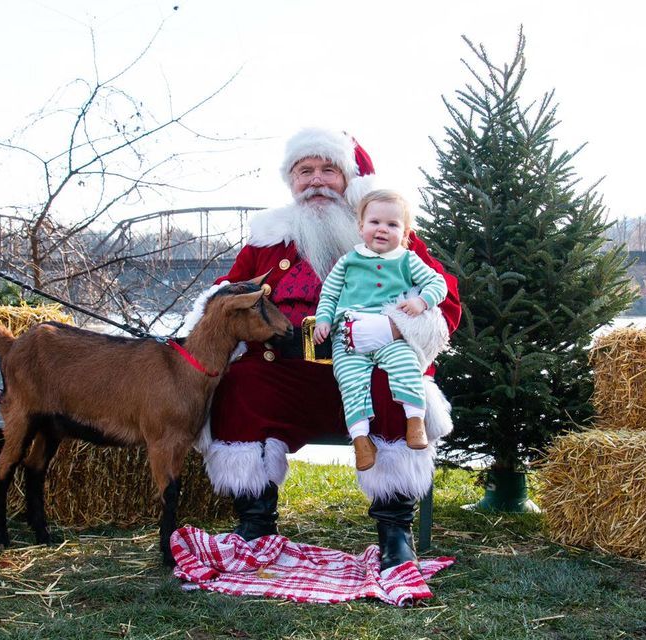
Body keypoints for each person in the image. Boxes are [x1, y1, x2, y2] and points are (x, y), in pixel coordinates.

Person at [193, 127, 461, 572]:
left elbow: (445, 300)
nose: (315, 181)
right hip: (286, 373)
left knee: (393, 384)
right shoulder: (267, 241)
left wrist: (390, 326)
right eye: (304, 172)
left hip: (365, 364)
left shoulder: (389, 231)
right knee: (240, 384)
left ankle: (395, 531)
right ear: (291, 181)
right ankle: (255, 524)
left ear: (351, 180)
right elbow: (225, 295)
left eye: (328, 170)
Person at [313, 189, 448, 472]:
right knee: (351, 382)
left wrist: (421, 301)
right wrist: (324, 320)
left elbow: (438, 284)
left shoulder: (407, 260)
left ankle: (415, 422)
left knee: (407, 365)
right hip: (349, 336)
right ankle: (362, 441)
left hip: (389, 334)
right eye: (375, 222)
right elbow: (329, 295)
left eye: (392, 225)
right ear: (361, 227)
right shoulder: (348, 261)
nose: (382, 230)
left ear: (405, 232)